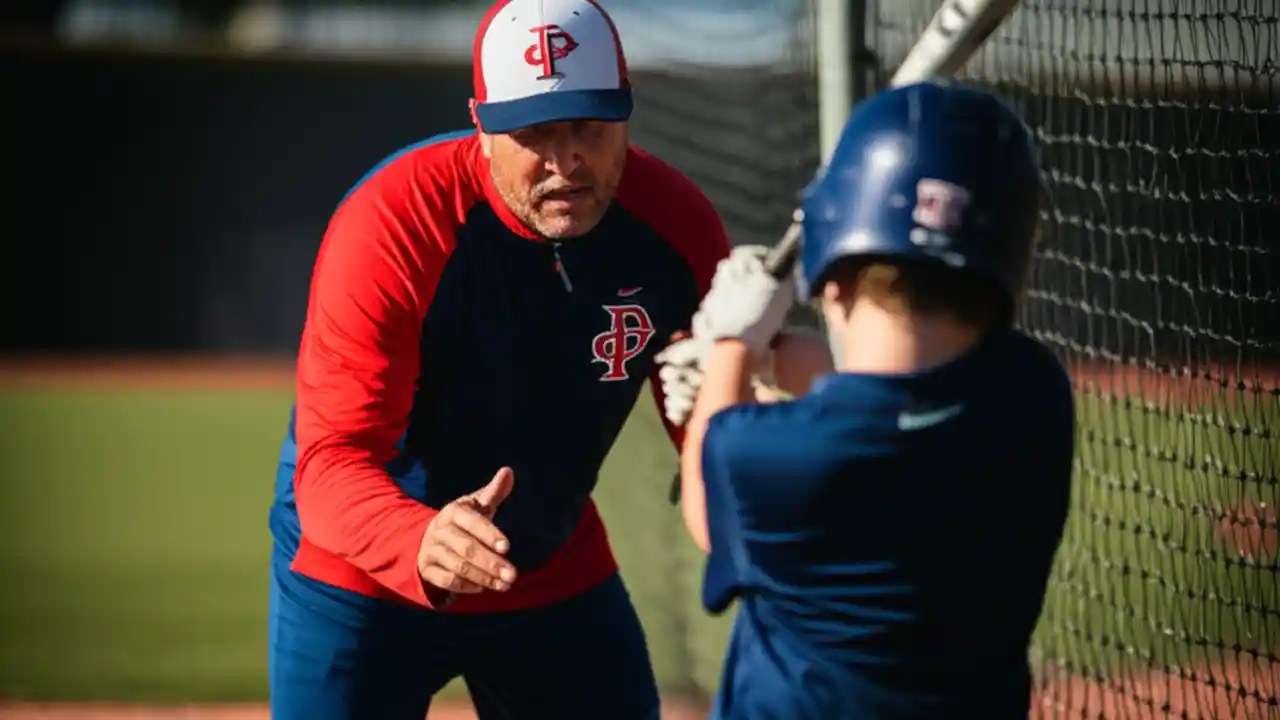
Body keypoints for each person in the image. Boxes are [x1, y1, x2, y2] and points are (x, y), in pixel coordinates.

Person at [264, 1, 740, 717]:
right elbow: (331, 460)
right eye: (537, 131)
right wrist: (417, 535)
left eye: (591, 125)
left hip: (548, 564)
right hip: (362, 576)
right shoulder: (395, 221)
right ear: (482, 126)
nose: (568, 157)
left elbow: (716, 439)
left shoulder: (674, 226)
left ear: (627, 115)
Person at [656, 80, 1077, 718]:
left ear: (833, 273)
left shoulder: (760, 453)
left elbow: (708, 505)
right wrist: (759, 356)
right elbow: (889, 392)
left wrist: (731, 349)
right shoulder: (1034, 393)